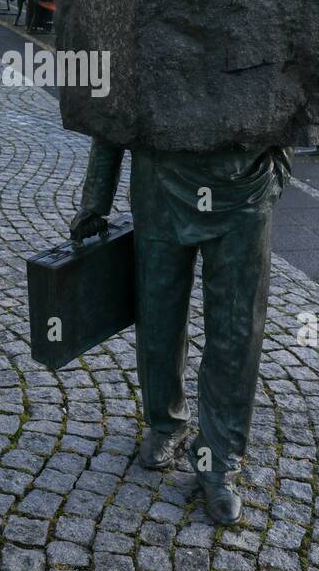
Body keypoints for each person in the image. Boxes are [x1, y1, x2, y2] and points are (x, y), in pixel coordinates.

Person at [70, 141, 291, 524]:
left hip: (243, 184)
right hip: (161, 182)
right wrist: (96, 198)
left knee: (238, 327)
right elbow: (109, 104)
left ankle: (219, 457)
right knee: (158, 312)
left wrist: (280, 170)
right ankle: (165, 419)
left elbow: (295, 88)